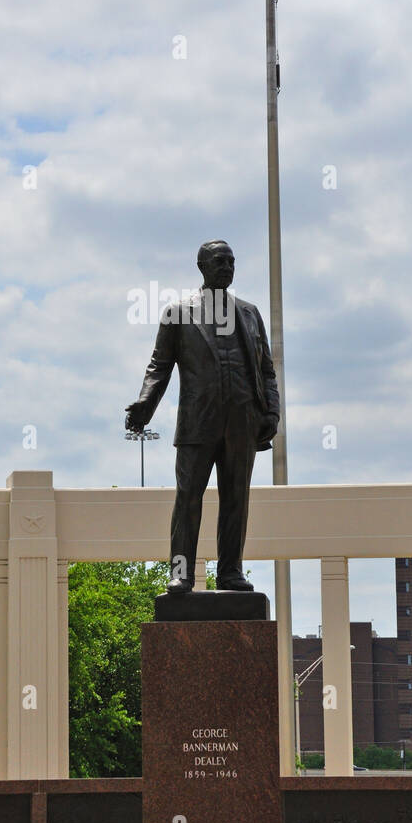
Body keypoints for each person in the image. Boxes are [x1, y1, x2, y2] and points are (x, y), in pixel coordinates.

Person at [125, 240, 279, 593]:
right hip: (198, 421)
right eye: (219, 261)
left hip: (242, 422)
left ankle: (230, 572)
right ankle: (181, 572)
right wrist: (145, 403)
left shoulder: (250, 313)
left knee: (236, 498)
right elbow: (159, 366)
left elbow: (266, 370)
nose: (227, 267)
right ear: (202, 267)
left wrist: (271, 410)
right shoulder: (178, 313)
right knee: (188, 497)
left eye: (231, 262)